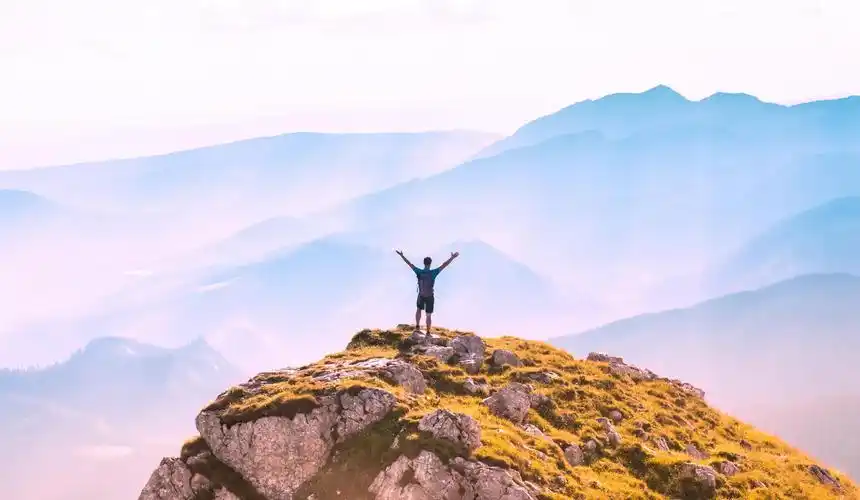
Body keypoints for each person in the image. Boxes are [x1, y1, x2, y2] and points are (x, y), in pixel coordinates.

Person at [395, 249, 459, 333]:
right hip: (430, 296)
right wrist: (452, 257)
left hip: (421, 295)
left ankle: (417, 326)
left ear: (424, 263)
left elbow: (409, 264)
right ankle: (428, 331)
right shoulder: (433, 273)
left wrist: (402, 255)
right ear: (430, 263)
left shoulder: (419, 272)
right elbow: (444, 265)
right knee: (428, 315)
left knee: (418, 309)